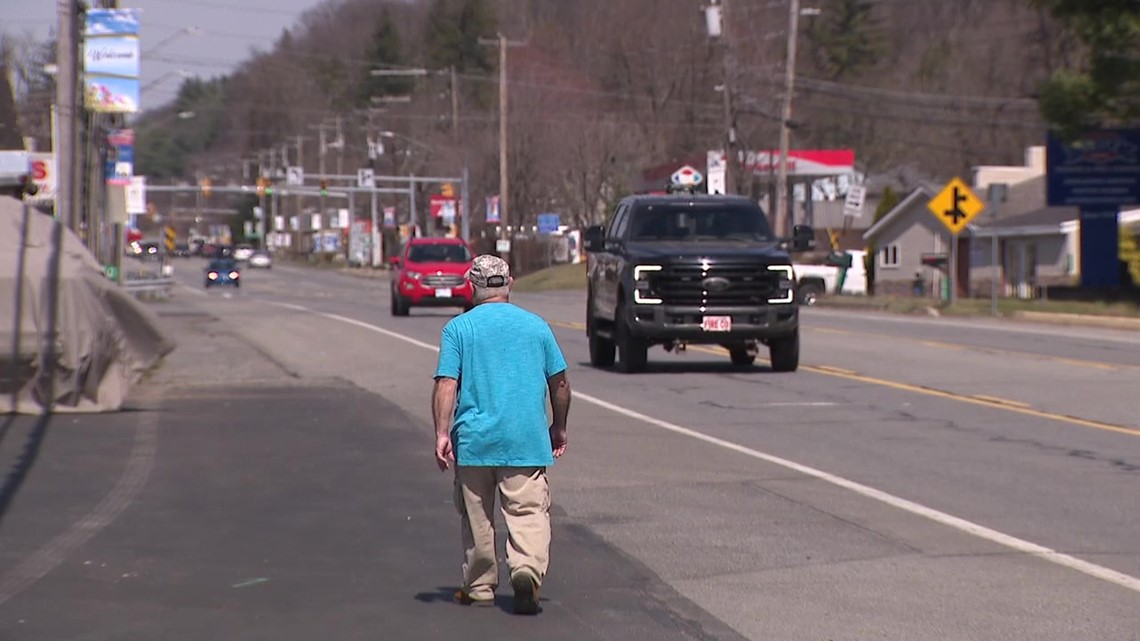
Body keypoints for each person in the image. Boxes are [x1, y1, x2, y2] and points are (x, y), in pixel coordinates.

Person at [432, 254, 571, 615]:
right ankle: (526, 570)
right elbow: (560, 383)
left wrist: (441, 434)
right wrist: (559, 426)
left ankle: (479, 586)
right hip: (525, 439)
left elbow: (447, 383)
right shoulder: (537, 326)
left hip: (476, 441)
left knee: (477, 517)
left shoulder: (459, 329)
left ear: (472, 286)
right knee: (527, 513)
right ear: (510, 282)